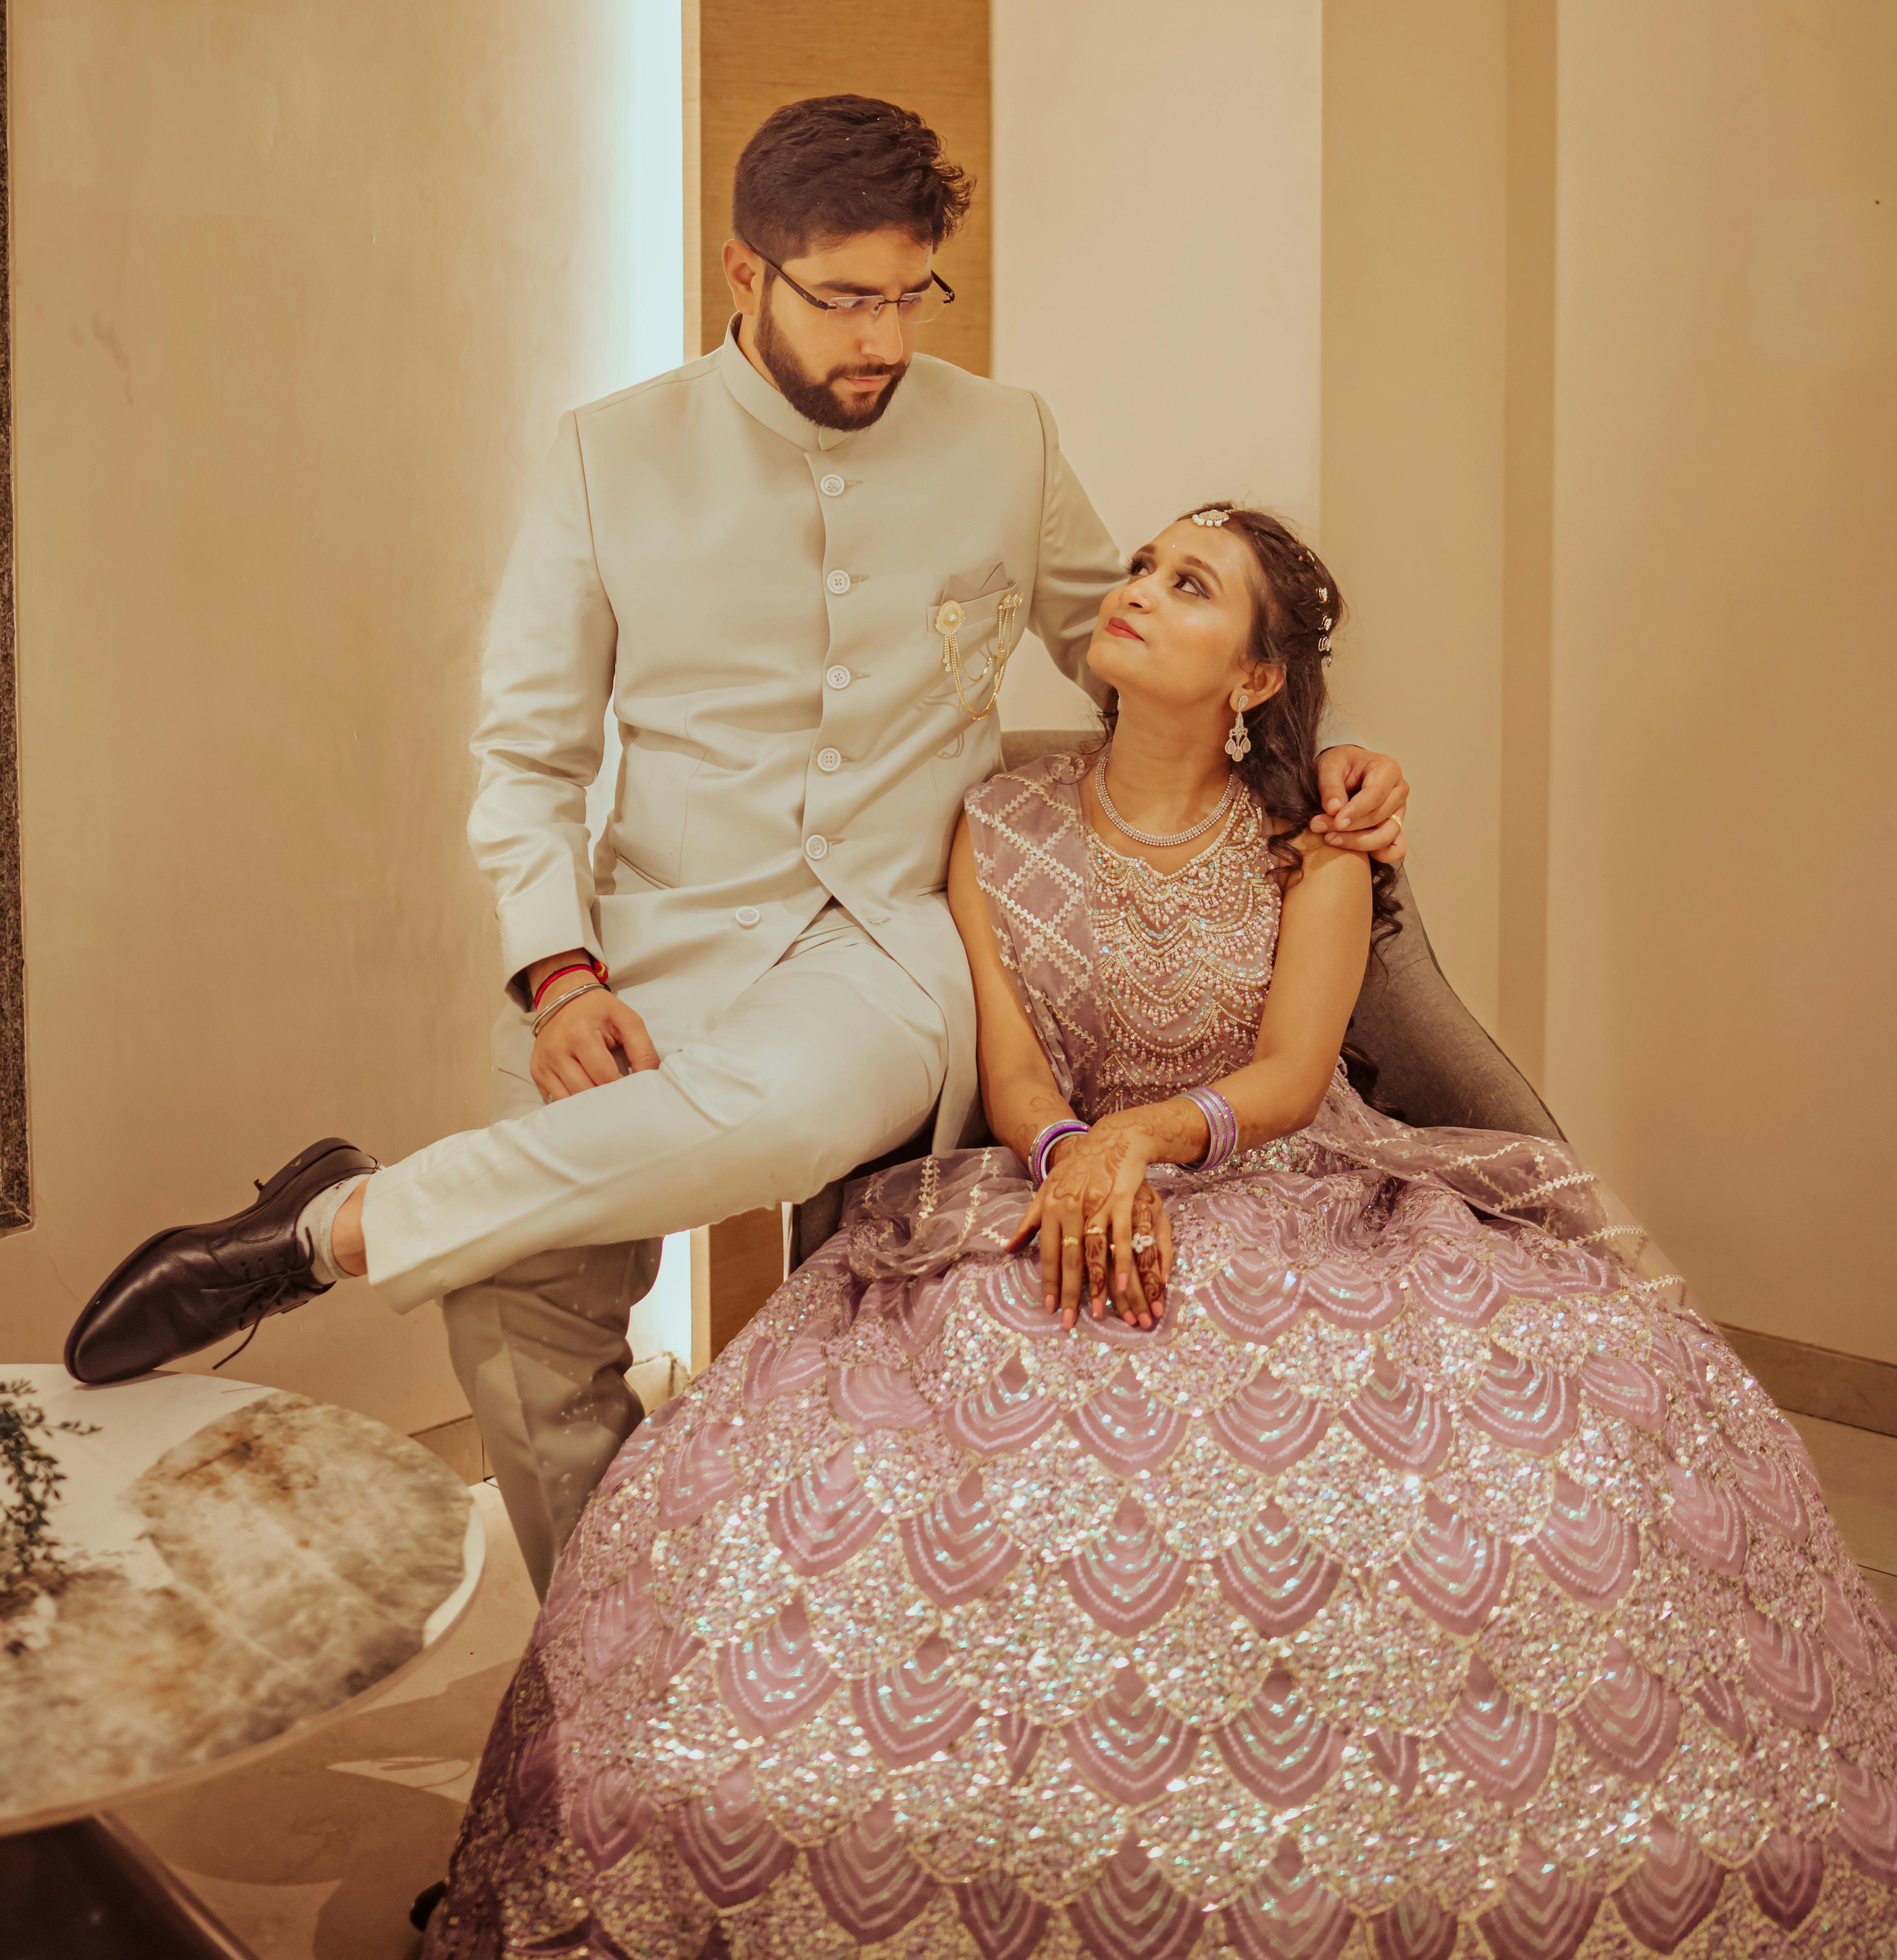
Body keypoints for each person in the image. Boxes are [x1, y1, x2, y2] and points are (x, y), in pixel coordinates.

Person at [419, 506, 1897, 1960]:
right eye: (1142, 566)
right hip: (1049, 1178)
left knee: (1522, 1430)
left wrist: (1148, 1139)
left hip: (1288, 1184)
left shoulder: (1312, 844)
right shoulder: (995, 824)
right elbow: (1013, 1071)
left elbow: (1296, 1076)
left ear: (1255, 676)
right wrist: (1074, 1153)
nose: (1137, 589)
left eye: (1192, 585)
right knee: (893, 1447)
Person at [63, 96, 1409, 1597]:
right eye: (843, 299)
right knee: (512, 1306)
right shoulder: (607, 457)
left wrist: (1324, 750)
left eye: (910, 295)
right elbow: (530, 756)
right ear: (743, 272)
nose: (883, 339)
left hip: (890, 940)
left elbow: (1154, 643)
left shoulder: (1005, 436)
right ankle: (614, 1665)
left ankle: (328, 1227)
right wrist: (561, 976)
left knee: (795, 1105)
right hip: (651, 938)